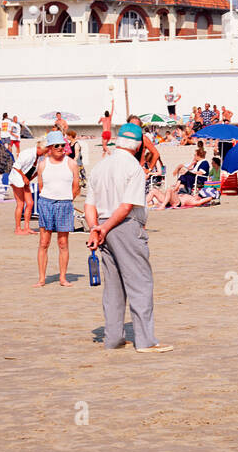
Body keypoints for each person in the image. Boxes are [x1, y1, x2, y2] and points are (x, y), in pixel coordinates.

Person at [84, 124, 170, 353]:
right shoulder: (133, 167)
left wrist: (96, 228)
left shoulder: (100, 166)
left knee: (113, 287)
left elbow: (89, 204)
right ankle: (145, 340)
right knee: (140, 283)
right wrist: (105, 227)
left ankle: (113, 338)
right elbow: (126, 206)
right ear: (139, 145)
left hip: (102, 224)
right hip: (124, 226)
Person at [34, 130, 80, 288]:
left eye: (63, 145)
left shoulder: (71, 163)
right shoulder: (43, 164)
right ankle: (41, 278)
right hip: (46, 203)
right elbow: (41, 186)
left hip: (64, 204)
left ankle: (62, 277)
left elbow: (76, 187)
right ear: (50, 147)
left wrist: (66, 200)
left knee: (63, 243)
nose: (61, 148)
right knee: (44, 242)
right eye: (57, 145)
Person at [9, 143, 39, 233]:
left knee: (30, 203)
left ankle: (27, 227)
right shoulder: (28, 154)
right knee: (20, 203)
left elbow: (37, 171)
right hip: (17, 178)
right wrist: (24, 177)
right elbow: (16, 167)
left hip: (25, 181)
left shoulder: (41, 157)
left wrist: (29, 179)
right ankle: (18, 228)